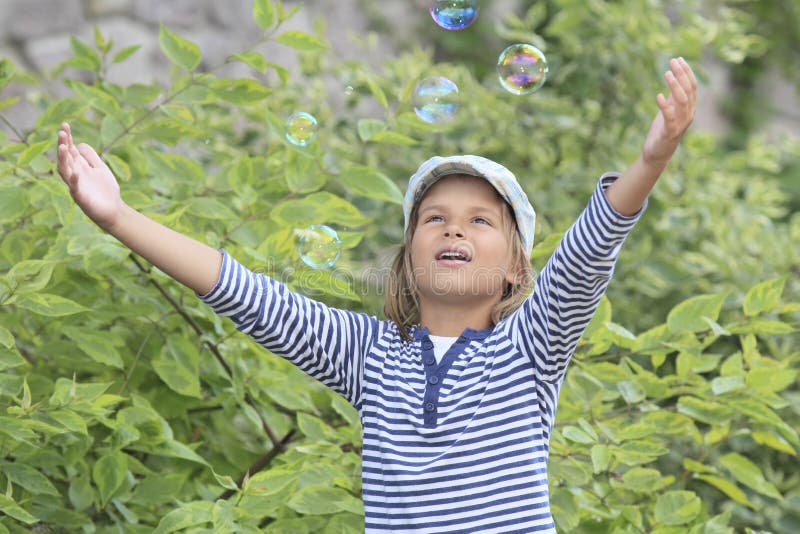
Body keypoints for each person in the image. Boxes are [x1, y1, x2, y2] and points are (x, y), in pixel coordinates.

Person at [57, 57, 696, 533]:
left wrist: (652, 162)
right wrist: (119, 219)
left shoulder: (529, 348)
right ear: (408, 260)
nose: (453, 227)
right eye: (434, 217)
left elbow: (586, 258)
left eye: (481, 221)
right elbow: (246, 293)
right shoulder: (369, 355)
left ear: (515, 272)